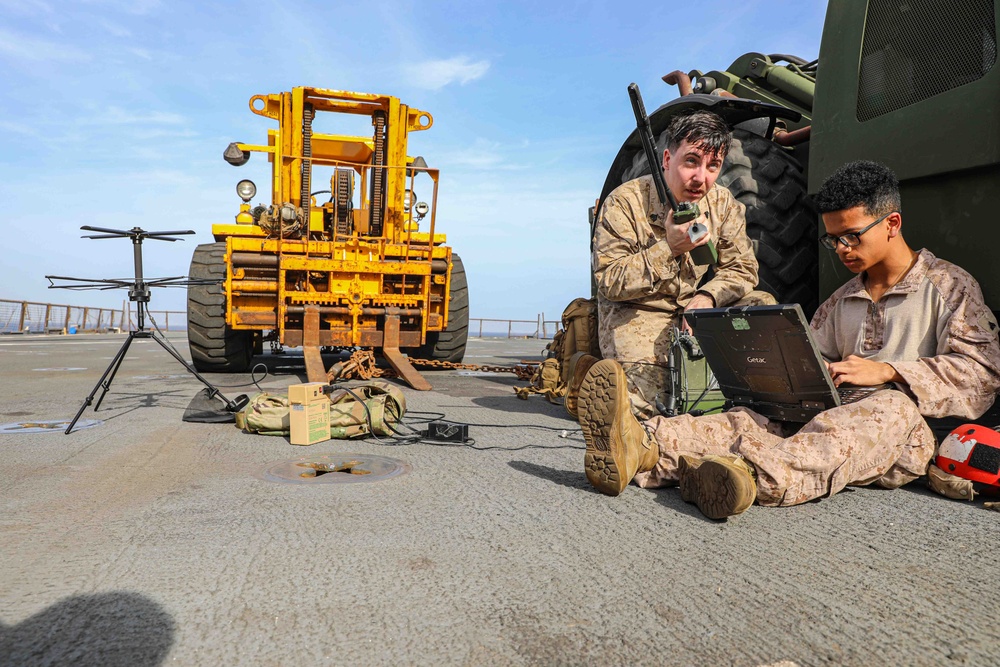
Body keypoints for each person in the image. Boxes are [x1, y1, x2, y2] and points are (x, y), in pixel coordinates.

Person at [577, 160, 1000, 518]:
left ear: (892, 224)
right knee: (753, 417)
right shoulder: (841, 300)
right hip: (827, 416)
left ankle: (747, 475)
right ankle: (645, 446)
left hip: (904, 437)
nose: (841, 249)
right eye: (833, 238)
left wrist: (888, 371)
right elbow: (809, 363)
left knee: (889, 406)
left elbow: (982, 375)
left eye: (852, 236)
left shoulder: (949, 287)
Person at [591, 110, 775, 419]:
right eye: (691, 161)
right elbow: (610, 281)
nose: (701, 177)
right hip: (639, 311)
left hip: (693, 311)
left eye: (713, 166)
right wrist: (668, 249)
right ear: (666, 160)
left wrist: (708, 297)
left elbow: (742, 269)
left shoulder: (721, 203)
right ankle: (604, 384)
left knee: (762, 305)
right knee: (655, 411)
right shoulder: (624, 202)